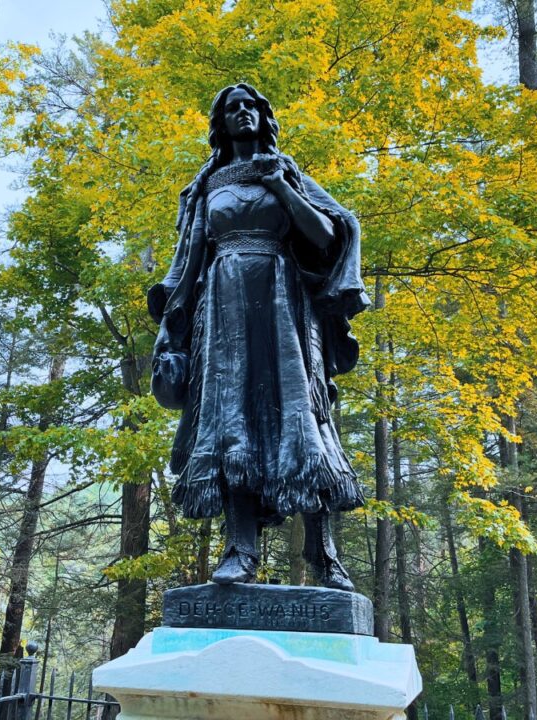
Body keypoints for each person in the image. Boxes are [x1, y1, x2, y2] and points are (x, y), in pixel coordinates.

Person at [147, 83, 369, 590]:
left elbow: (329, 237)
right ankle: (240, 548)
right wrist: (173, 322)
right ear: (221, 123)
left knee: (303, 416)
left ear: (263, 117)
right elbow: (192, 257)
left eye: (251, 106)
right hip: (222, 311)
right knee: (229, 419)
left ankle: (324, 552)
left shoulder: (285, 171)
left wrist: (283, 189)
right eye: (232, 108)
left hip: (284, 304)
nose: (242, 113)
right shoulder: (209, 184)